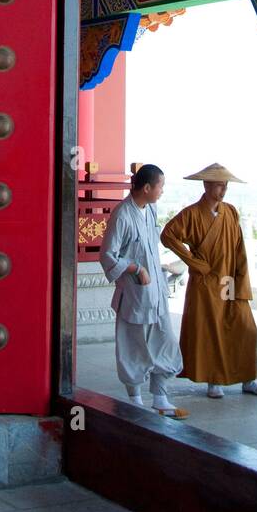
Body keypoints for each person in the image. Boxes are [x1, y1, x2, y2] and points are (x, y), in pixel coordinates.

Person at [160, 163, 257, 399]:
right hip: (206, 282)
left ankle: (248, 378)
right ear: (207, 185)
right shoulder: (191, 214)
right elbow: (168, 235)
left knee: (245, 327)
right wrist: (194, 262)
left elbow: (239, 247)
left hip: (229, 280)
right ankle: (214, 379)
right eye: (220, 185)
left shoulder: (230, 212)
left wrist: (241, 279)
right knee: (211, 329)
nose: (223, 190)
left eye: (226, 185)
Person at [99, 164, 185, 417]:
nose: (162, 191)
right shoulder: (123, 215)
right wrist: (136, 268)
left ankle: (160, 397)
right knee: (133, 346)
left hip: (156, 292)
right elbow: (108, 255)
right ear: (146, 187)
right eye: (160, 186)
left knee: (165, 341)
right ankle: (135, 399)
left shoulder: (150, 210)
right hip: (135, 295)